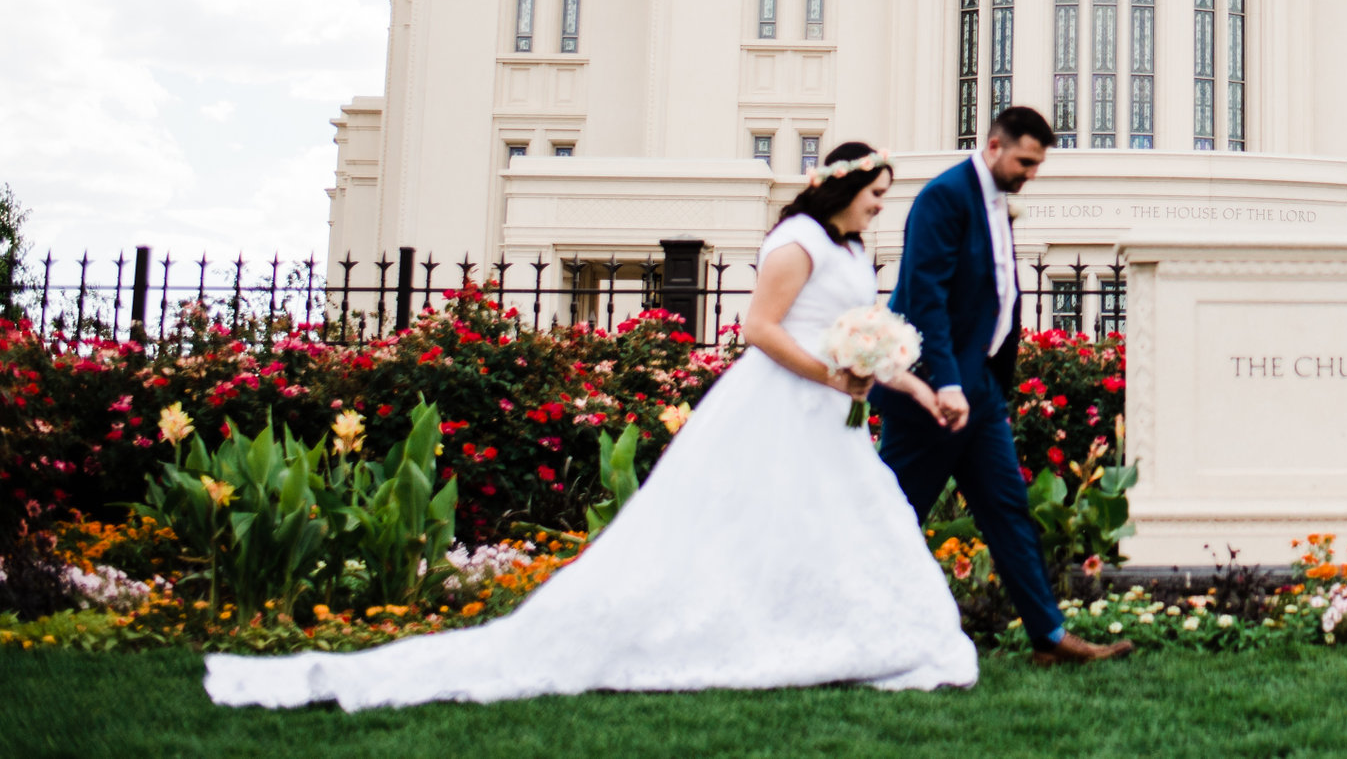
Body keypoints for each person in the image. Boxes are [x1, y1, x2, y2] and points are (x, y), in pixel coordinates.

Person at [203, 142, 980, 708]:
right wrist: (827, 372)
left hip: (831, 418)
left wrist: (916, 388)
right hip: (781, 405)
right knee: (745, 523)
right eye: (875, 192)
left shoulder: (847, 245)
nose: (882, 205)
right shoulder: (797, 241)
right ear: (841, 186)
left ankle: (835, 633)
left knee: (841, 523)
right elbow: (761, 330)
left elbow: (862, 336)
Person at [874, 105, 1132, 666]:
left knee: (1009, 511)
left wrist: (983, 384)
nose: (1031, 173)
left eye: (1037, 164)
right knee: (889, 515)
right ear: (994, 146)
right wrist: (946, 384)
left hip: (981, 392)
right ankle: (848, 625)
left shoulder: (996, 202)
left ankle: (1049, 637)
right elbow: (925, 299)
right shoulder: (943, 197)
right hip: (933, 398)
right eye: (1025, 161)